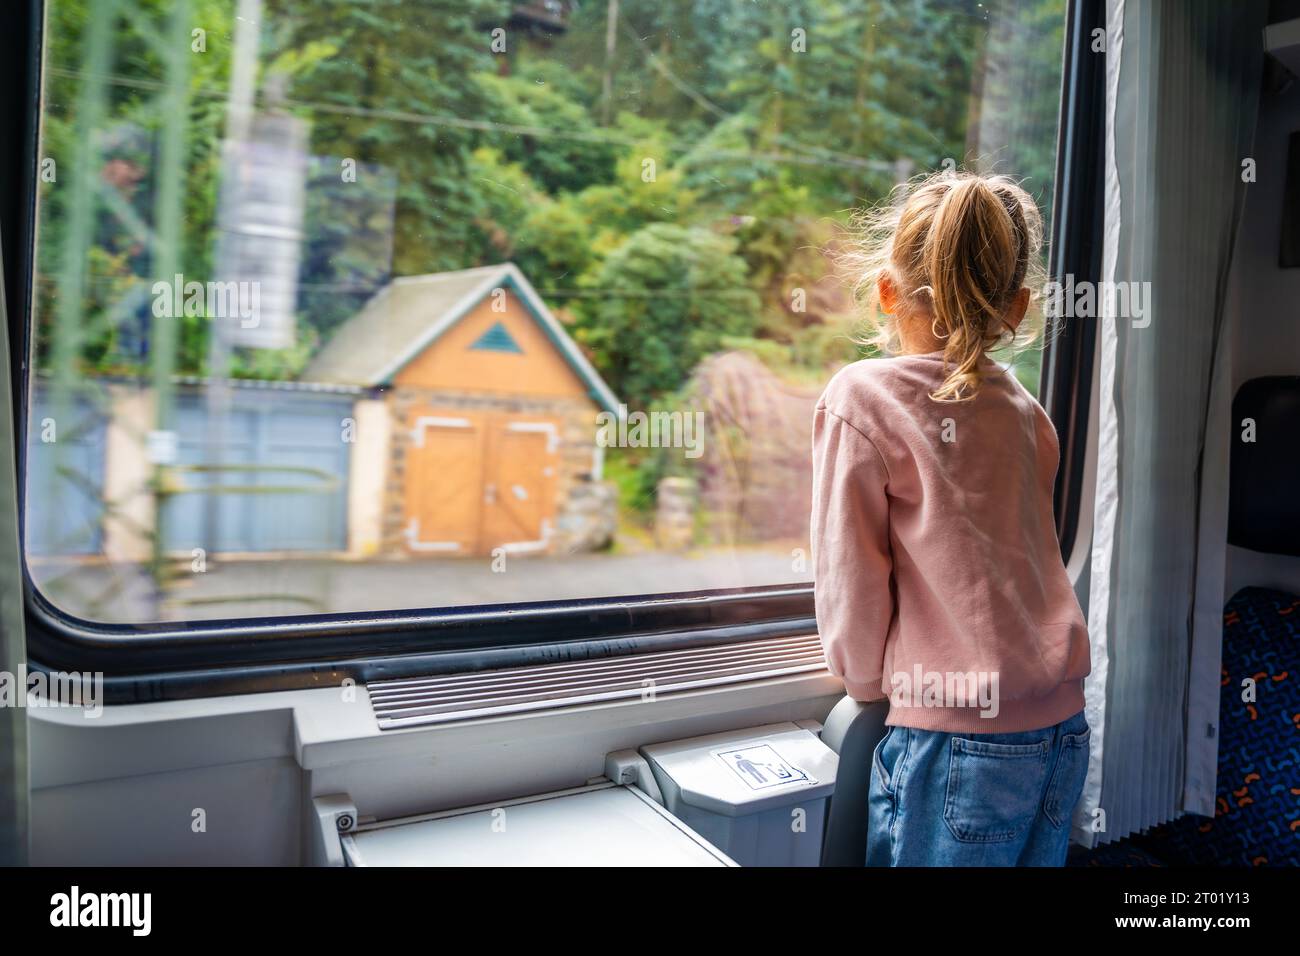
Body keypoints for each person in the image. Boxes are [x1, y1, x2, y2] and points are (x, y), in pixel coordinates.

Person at [811, 170, 1092, 866]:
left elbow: (852, 578)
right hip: (1062, 725)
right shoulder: (1026, 411)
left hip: (958, 735)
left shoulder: (863, 398)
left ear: (885, 291)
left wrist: (866, 684)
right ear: (1017, 308)